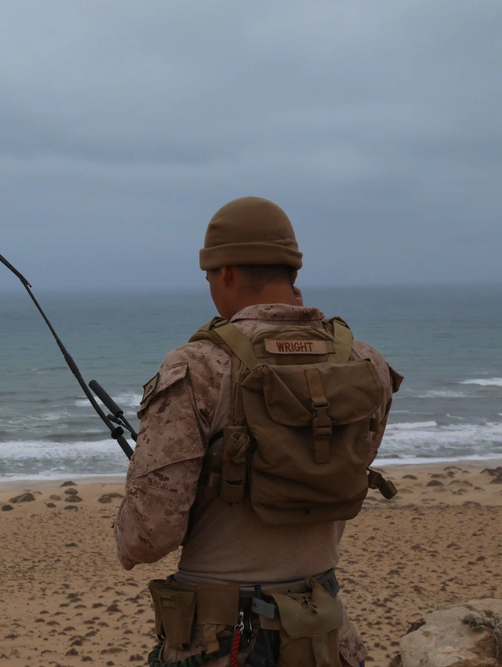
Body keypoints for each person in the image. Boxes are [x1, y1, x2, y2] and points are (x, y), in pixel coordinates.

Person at [113, 196, 402, 667]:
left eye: (209, 276)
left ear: (224, 272)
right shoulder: (364, 362)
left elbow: (148, 536)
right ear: (292, 272)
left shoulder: (197, 367)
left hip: (223, 643)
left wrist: (128, 513)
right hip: (325, 636)